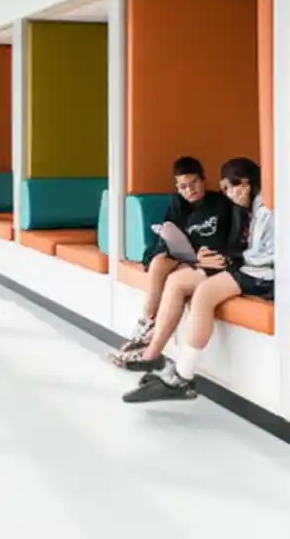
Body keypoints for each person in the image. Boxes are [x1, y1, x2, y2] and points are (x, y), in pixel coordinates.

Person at [122, 157, 273, 402]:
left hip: (261, 276)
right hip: (246, 269)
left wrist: (225, 259)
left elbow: (258, 255)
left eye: (233, 187)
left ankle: (180, 377)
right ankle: (157, 359)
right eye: (225, 189)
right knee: (176, 282)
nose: (231, 194)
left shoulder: (262, 208)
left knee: (201, 294)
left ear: (247, 183)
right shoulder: (247, 206)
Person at [108, 156, 244, 370]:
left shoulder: (221, 203)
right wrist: (191, 258)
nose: (189, 190)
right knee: (160, 262)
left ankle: (151, 349)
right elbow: (166, 240)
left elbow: (230, 241)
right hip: (191, 260)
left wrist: (205, 258)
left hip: (213, 263)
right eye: (183, 186)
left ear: (203, 180)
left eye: (193, 183)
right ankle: (146, 323)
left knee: (174, 280)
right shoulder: (178, 205)